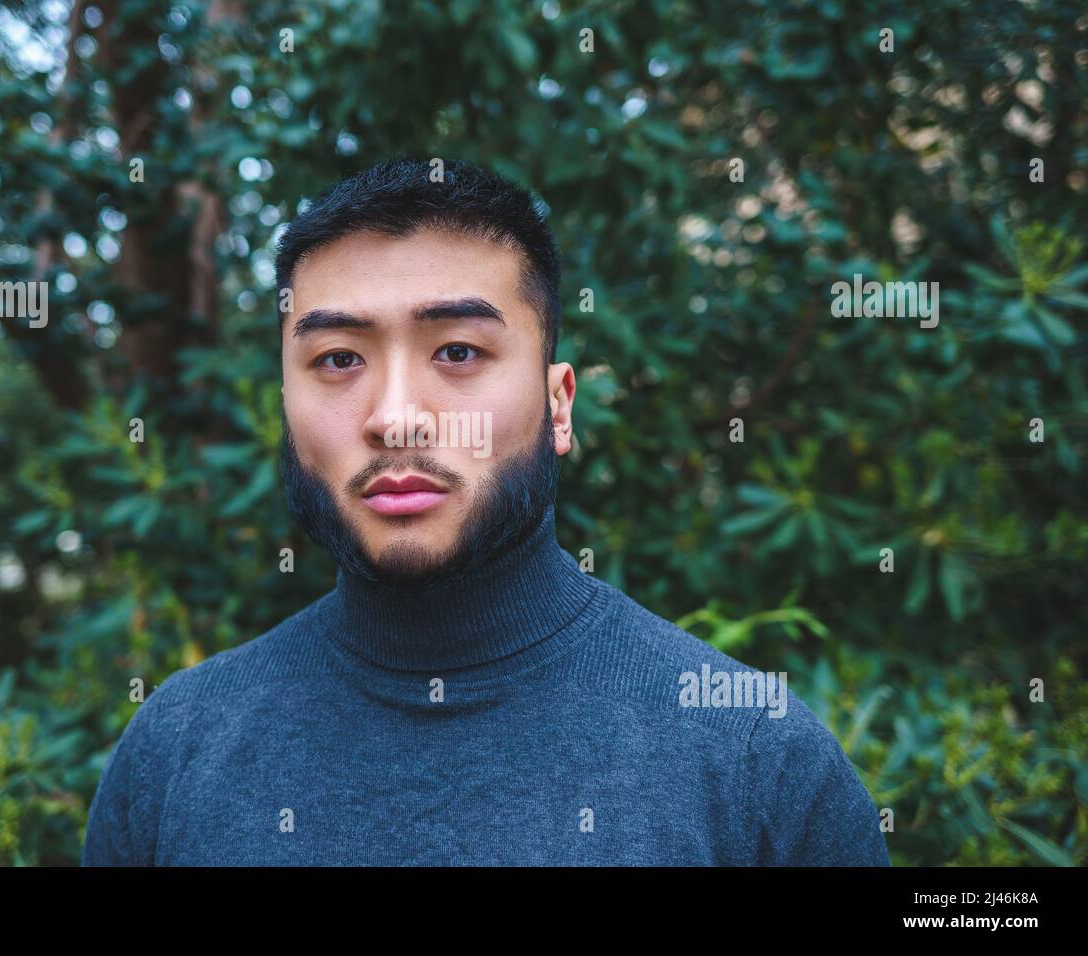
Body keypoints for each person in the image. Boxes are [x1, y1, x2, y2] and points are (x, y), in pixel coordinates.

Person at [83, 155, 890, 866]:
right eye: (338, 359)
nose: (395, 417)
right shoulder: (176, 752)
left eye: (458, 352)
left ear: (558, 401)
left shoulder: (756, 763)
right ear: (284, 405)